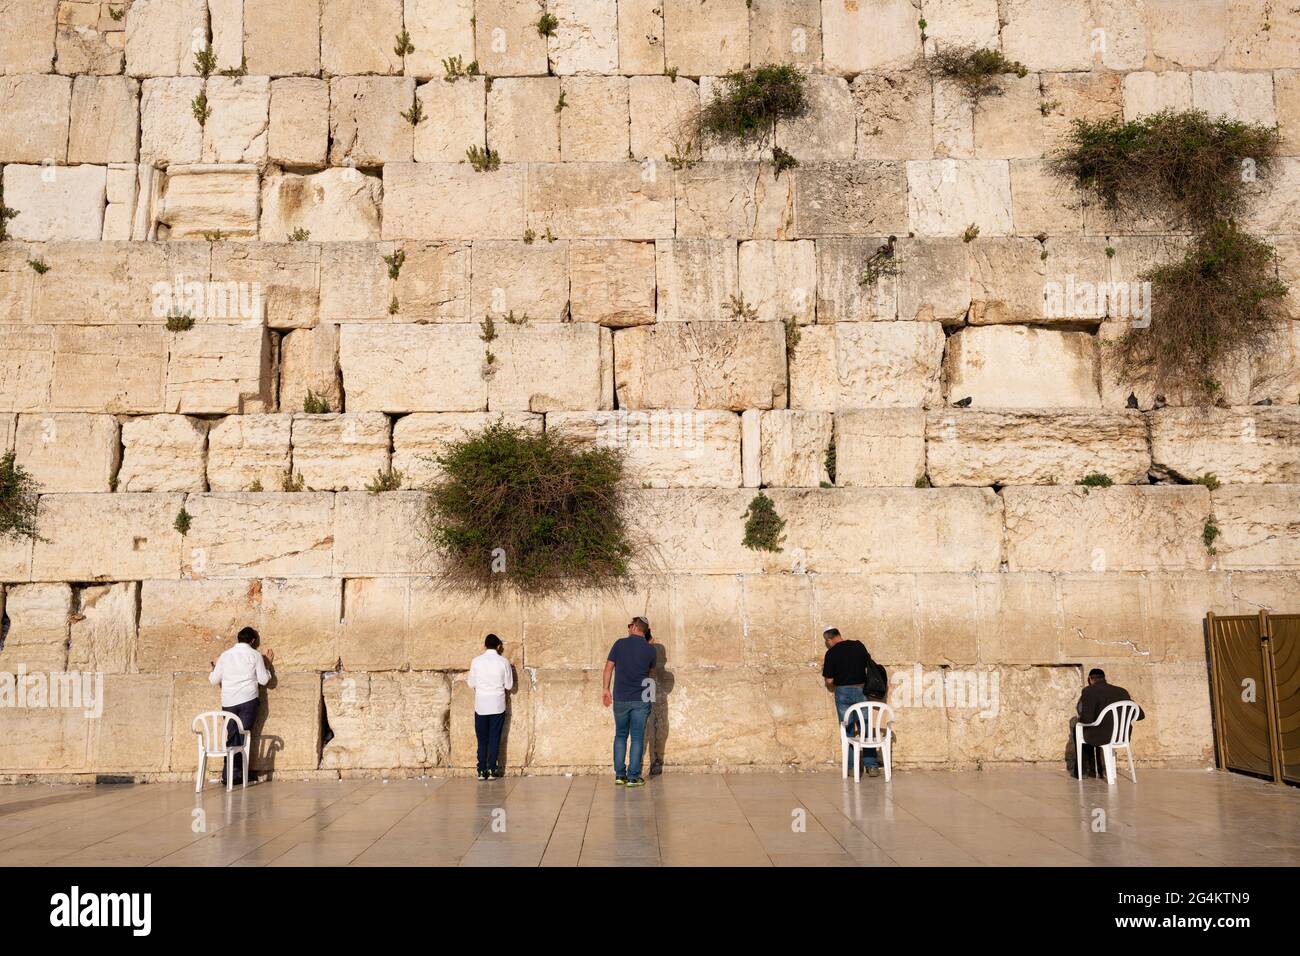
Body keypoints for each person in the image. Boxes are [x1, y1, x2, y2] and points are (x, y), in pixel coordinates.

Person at [207, 626, 273, 785]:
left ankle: (229, 774)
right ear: (253, 641)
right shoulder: (255, 655)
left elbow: (213, 680)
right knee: (242, 737)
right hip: (248, 701)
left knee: (232, 736)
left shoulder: (225, 655)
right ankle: (235, 775)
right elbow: (264, 680)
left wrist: (214, 665)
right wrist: (268, 665)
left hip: (228, 702)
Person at [602, 616, 656, 788]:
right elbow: (650, 672)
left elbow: (609, 667)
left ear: (633, 627)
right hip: (641, 698)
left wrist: (605, 689)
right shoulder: (650, 650)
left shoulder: (619, 644)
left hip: (620, 698)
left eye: (629, 626)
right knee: (638, 737)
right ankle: (633, 777)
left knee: (620, 735)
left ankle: (620, 775)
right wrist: (649, 647)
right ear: (645, 630)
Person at [821, 627, 882, 777]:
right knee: (866, 727)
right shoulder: (858, 645)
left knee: (846, 729)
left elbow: (829, 680)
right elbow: (867, 664)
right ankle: (871, 766)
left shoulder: (831, 653)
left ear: (829, 639)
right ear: (839, 635)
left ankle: (851, 767)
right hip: (861, 690)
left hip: (842, 692)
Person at [1068, 668, 1145, 778]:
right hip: (1122, 736)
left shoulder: (1088, 691)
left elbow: (1087, 720)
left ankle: (1083, 770)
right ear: (1104, 678)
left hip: (1102, 736)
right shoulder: (1122, 691)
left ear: (1090, 679)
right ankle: (1096, 768)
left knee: (1079, 728)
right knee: (1090, 729)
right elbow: (1140, 715)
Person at [467, 633, 514, 780]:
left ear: (484, 645)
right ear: (499, 646)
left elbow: (471, 683)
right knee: (494, 738)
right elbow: (509, 685)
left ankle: (481, 770)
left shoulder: (476, 661)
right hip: (497, 705)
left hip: (481, 705)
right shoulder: (504, 662)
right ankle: (492, 770)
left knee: (482, 739)